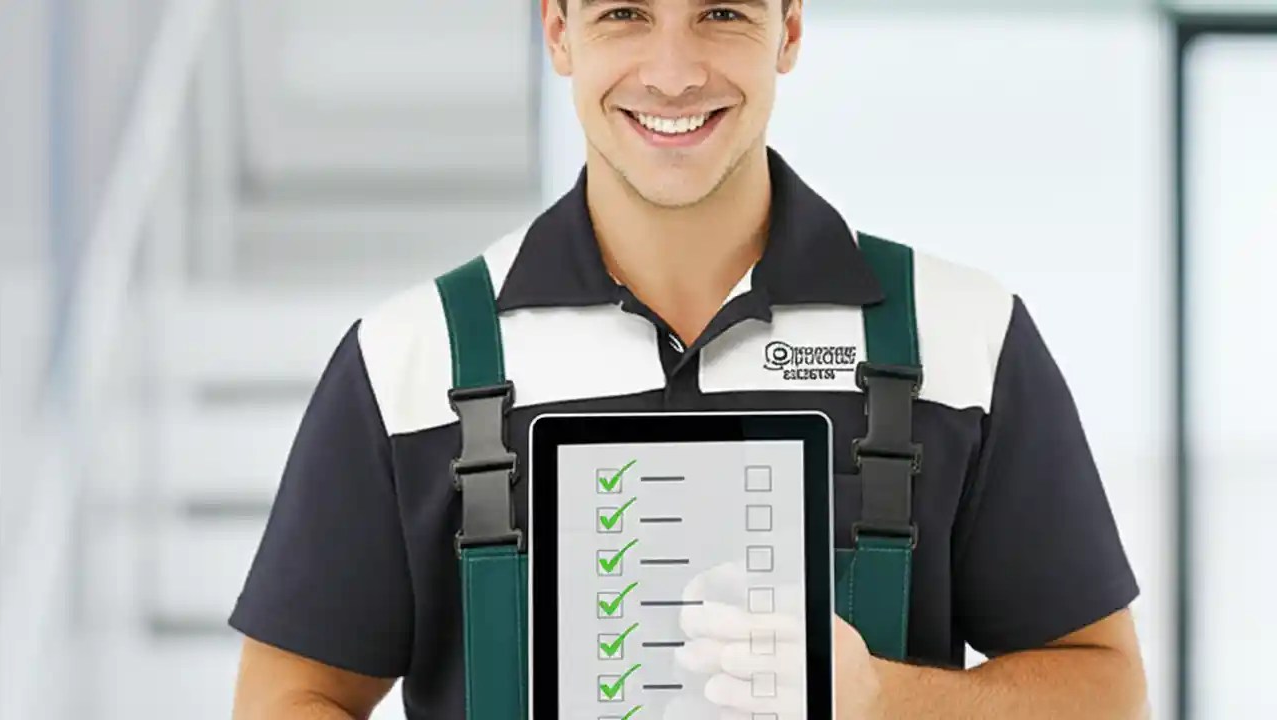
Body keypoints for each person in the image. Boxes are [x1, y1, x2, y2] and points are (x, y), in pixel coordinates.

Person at [228, 1, 1148, 718]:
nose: (672, 73)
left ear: (788, 29)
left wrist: (887, 703)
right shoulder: (409, 363)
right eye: (625, 14)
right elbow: (285, 701)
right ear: (558, 30)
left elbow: (1107, 694)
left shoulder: (960, 339)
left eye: (722, 14)